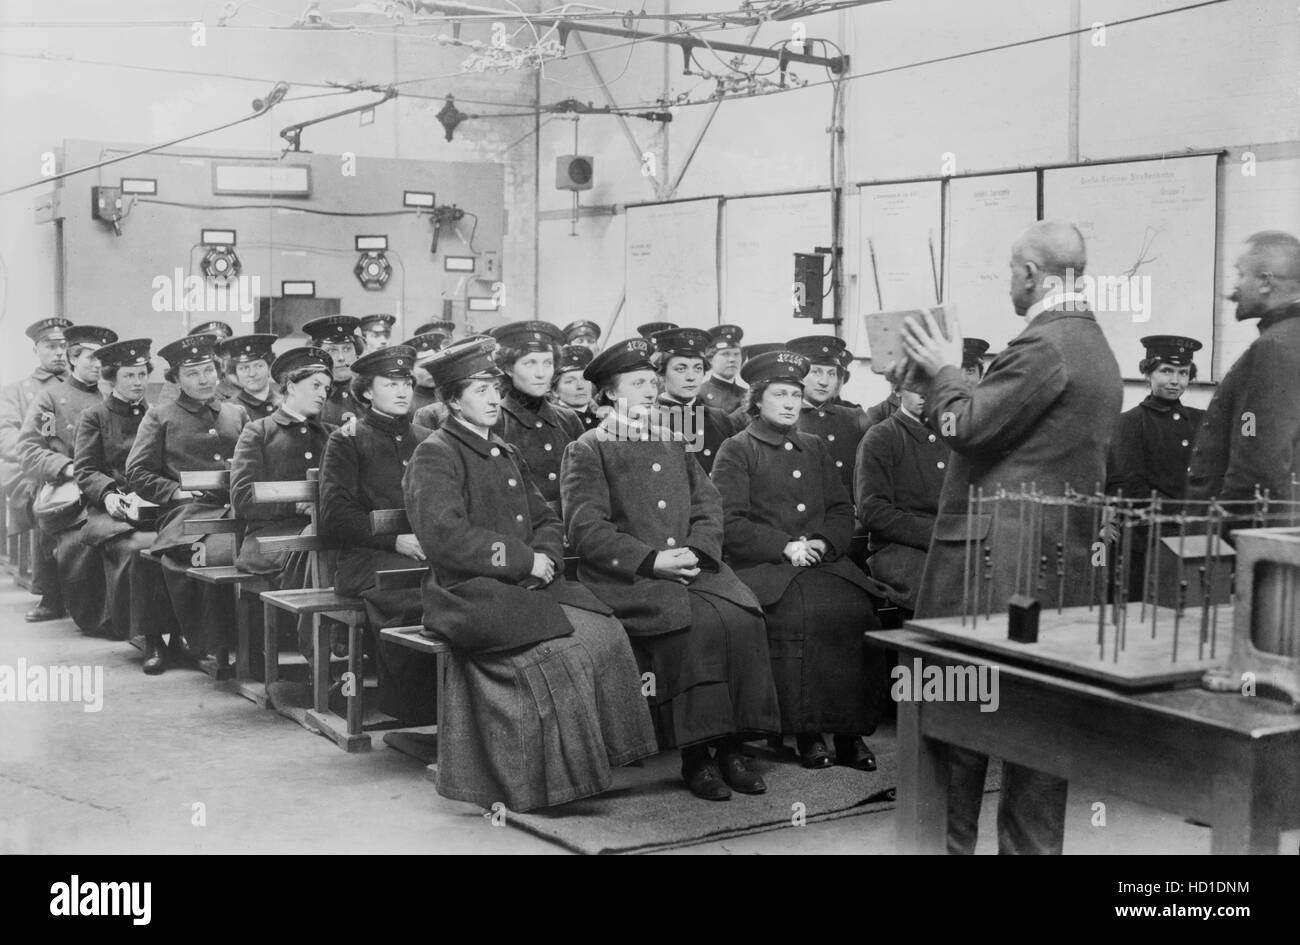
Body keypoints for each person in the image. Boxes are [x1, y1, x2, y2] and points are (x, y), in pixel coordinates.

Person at [893, 220, 1122, 855]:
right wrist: (933, 380)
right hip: (1052, 573)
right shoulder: (1091, 345)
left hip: (992, 575)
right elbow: (1009, 429)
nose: (1008, 283)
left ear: (1030, 274)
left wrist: (945, 369)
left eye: (1009, 272)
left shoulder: (1044, 347)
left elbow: (967, 426)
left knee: (953, 730)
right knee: (1038, 740)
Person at [403, 337, 657, 811]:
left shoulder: (500, 449)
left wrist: (546, 561)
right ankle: (551, 784)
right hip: (467, 592)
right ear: (453, 401)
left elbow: (545, 519)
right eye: (480, 391)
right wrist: (524, 562)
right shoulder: (437, 453)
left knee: (607, 632)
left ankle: (603, 761)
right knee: (564, 654)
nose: (494, 399)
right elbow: (445, 538)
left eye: (494, 388)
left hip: (522, 584)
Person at [561, 338, 781, 801]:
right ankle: (697, 757)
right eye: (636, 382)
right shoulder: (589, 448)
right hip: (634, 575)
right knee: (692, 629)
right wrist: (652, 560)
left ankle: (733, 746)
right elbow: (587, 530)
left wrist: (698, 552)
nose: (648, 389)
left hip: (691, 565)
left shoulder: (671, 435)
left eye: (650, 381)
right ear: (606, 394)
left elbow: (708, 504)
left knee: (743, 618)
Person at [712, 350, 881, 771]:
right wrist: (785, 546)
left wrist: (822, 543)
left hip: (821, 560)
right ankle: (807, 731)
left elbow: (843, 510)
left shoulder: (814, 447)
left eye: (794, 394)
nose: (789, 403)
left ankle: (848, 732)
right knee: (803, 616)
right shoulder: (738, 450)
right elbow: (729, 522)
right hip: (767, 567)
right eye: (779, 394)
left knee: (856, 610)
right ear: (757, 400)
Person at [318, 345, 436, 722]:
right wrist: (393, 539)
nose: (403, 392)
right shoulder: (347, 439)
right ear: (367, 391)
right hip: (365, 559)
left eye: (406, 383)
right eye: (391, 384)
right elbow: (336, 516)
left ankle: (451, 701)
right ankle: (413, 709)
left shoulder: (426, 438)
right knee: (414, 596)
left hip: (423, 553)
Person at [126, 333, 249, 673]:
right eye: (192, 373)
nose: (204, 379)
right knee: (211, 555)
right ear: (176, 379)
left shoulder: (236, 413)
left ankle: (238, 642)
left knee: (249, 551)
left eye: (208, 369)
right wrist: (176, 493)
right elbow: (137, 472)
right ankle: (202, 642)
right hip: (184, 514)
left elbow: (254, 463)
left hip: (235, 510)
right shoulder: (160, 416)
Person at [1187, 231, 1300, 509]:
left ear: (1265, 281)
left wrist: (1229, 533)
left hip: (1238, 537)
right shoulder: (1289, 338)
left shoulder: (1273, 347)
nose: (1234, 287)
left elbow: (1259, 462)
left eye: (1240, 274)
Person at [17, 325, 117, 633]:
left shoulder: (113, 397)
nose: (96, 364)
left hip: (110, 487)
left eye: (101, 359)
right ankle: (67, 601)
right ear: (72, 359)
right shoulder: (51, 399)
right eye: (88, 358)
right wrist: (69, 468)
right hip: (68, 490)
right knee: (78, 539)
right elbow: (30, 449)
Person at [73, 338, 158, 642]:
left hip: (154, 505)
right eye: (129, 376)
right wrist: (108, 494)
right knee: (135, 548)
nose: (138, 383)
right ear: (111, 379)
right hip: (110, 509)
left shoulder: (157, 414)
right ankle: (142, 632)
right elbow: (85, 470)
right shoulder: (95, 416)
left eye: (142, 374)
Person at [229, 347, 336, 588]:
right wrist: (297, 504)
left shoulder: (332, 435)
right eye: (316, 385)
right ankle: (313, 624)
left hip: (322, 532)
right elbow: (242, 497)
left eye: (327, 389)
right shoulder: (259, 432)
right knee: (318, 541)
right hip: (268, 539)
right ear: (291, 386)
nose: (323, 394)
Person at [854, 384, 949, 614]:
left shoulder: (952, 430)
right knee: (941, 591)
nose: (925, 393)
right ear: (897, 389)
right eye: (915, 385)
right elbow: (872, 510)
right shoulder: (881, 436)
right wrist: (935, 532)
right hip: (901, 549)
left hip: (956, 541)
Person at [0, 317, 72, 615]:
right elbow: (6, 437)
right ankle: (50, 593)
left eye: (64, 346)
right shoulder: (17, 390)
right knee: (50, 498)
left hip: (77, 465)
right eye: (50, 345)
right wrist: (46, 459)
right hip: (29, 470)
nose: (58, 352)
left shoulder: (84, 385)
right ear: (36, 350)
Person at [489, 321, 584, 512]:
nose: (541, 374)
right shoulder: (494, 421)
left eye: (547, 363)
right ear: (508, 369)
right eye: (529, 363)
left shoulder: (568, 419)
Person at [1107, 335, 1204, 502]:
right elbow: (1130, 487)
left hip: (1199, 521)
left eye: (1183, 373)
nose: (1175, 381)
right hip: (1153, 523)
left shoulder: (1201, 419)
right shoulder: (1131, 421)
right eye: (1166, 371)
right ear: (1148, 375)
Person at [786, 335, 871, 493]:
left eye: (831, 373)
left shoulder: (854, 417)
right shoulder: (784, 418)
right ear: (799, 375)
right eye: (816, 372)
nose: (824, 381)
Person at [650, 326, 738, 474]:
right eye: (681, 369)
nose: (691, 377)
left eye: (697, 368)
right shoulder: (649, 421)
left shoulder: (719, 418)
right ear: (662, 373)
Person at [303, 315, 362, 426]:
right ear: (317, 356)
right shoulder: (308, 399)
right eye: (332, 350)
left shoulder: (369, 394)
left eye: (347, 349)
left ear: (357, 353)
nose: (341, 357)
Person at [216, 334, 281, 421]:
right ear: (236, 373)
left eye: (258, 366)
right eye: (243, 368)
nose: (251, 373)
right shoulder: (227, 410)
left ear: (269, 368)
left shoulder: (286, 404)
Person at [552, 344, 601, 430]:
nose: (580, 386)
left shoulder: (606, 417)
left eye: (585, 379)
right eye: (570, 381)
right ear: (554, 391)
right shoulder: (553, 422)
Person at [700, 324, 746, 413]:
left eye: (736, 354)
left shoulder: (747, 394)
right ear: (710, 359)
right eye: (726, 354)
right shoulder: (700, 394)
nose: (732, 359)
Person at [405, 329, 451, 415]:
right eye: (423, 366)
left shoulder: (450, 397)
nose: (431, 371)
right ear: (410, 370)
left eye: (435, 364)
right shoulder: (405, 404)